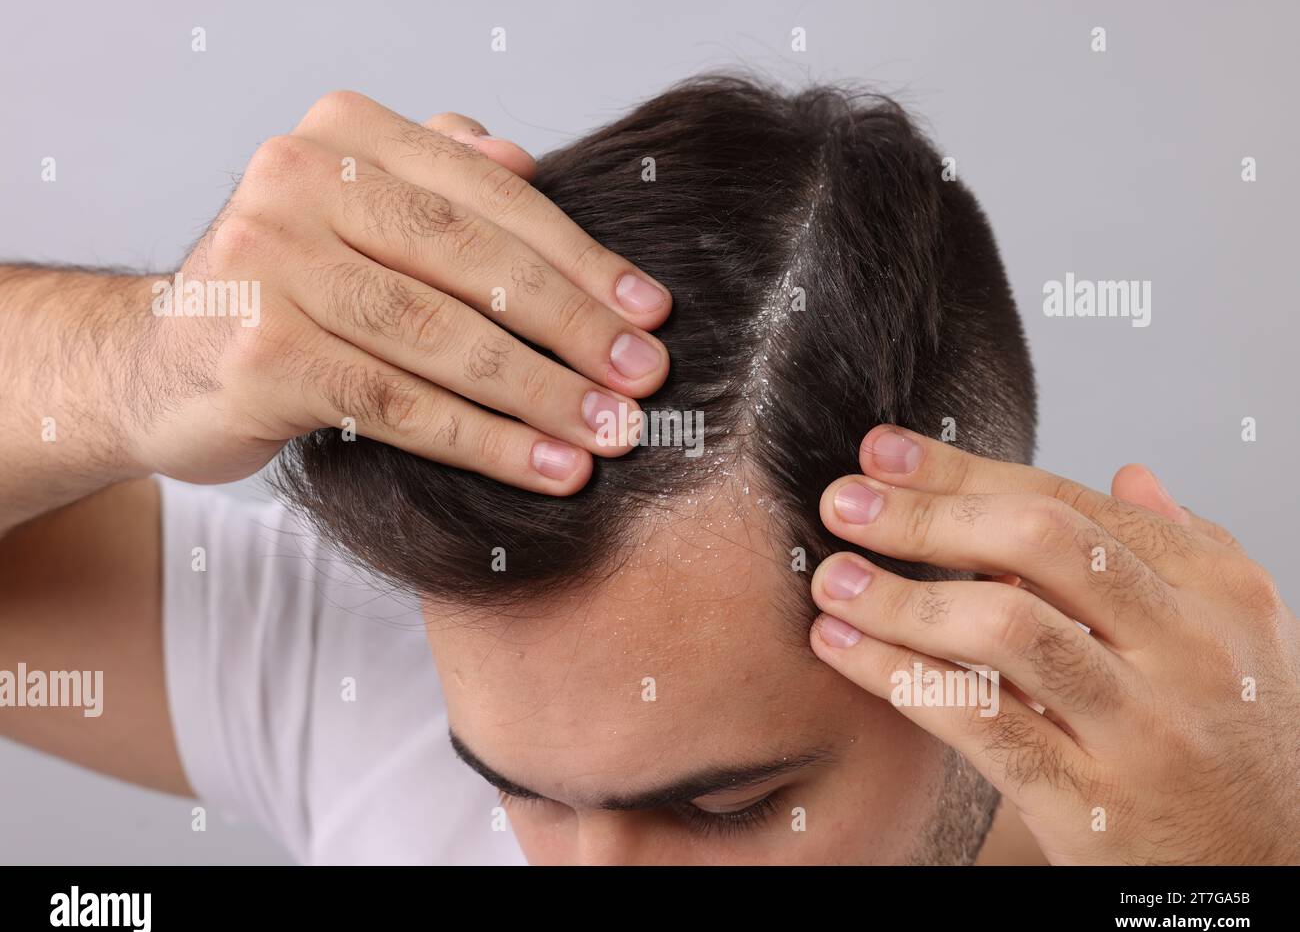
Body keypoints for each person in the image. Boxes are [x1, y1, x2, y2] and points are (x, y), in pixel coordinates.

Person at [1, 77, 1295, 865]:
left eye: (726, 809)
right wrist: (137, 358)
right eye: (508, 788)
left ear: (1002, 632)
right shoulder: (362, 684)